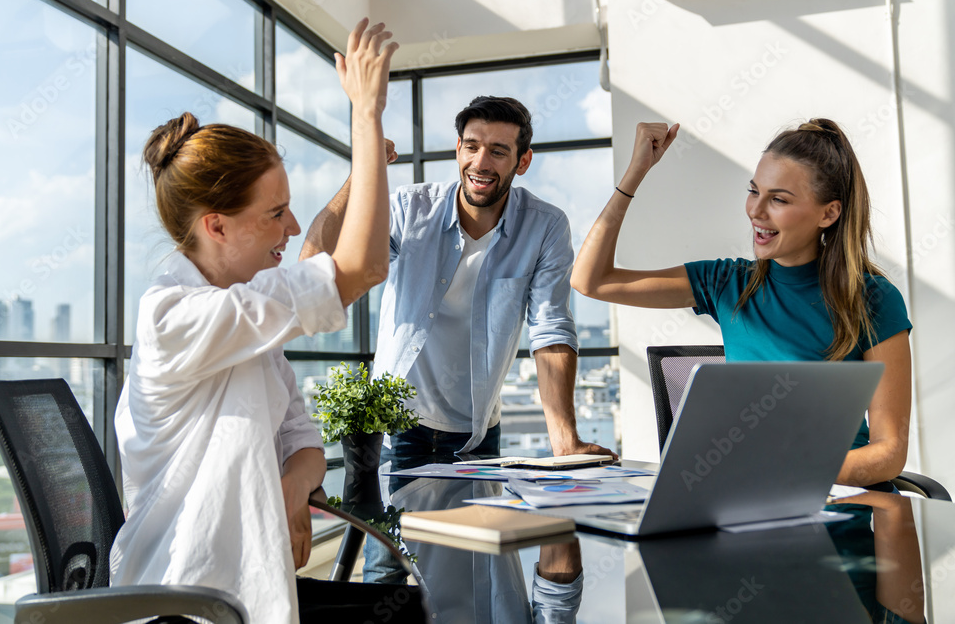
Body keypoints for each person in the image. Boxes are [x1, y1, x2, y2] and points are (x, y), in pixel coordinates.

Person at [108, 19, 421, 623]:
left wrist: (289, 492)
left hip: (250, 586)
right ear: (215, 224)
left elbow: (303, 441)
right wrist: (366, 113)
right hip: (190, 605)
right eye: (276, 213)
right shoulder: (177, 317)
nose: (293, 227)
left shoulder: (240, 311)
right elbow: (362, 266)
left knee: (410, 609)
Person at [571, 119, 912, 487]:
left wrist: (783, 473)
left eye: (778, 199)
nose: (756, 211)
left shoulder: (873, 298)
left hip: (841, 500)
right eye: (754, 192)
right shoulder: (726, 282)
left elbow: (889, 452)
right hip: (749, 497)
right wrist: (635, 174)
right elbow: (590, 280)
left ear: (828, 213)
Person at [301, 95, 616, 460]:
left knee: (479, 519)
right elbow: (315, 269)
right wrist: (361, 173)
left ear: (523, 161)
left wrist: (565, 440)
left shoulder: (545, 226)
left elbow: (551, 327)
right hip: (394, 429)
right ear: (458, 149)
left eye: (498, 151)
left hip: (476, 437)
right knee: (392, 520)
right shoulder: (410, 209)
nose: (480, 163)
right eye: (472, 146)